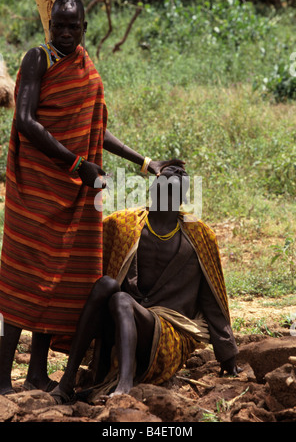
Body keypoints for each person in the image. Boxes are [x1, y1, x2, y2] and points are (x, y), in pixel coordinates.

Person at [0, 0, 182, 396]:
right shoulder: (38, 59)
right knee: (25, 277)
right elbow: (26, 120)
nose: (65, 32)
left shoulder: (85, 66)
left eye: (72, 26)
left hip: (76, 192)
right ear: (50, 26)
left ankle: (35, 374)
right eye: (58, 26)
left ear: (85, 28)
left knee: (60, 278)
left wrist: (145, 162)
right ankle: (0, 378)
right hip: (38, 189)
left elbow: (98, 131)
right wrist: (76, 165)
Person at [49, 165, 240, 405]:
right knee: (108, 285)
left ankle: (125, 384)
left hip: (168, 332)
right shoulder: (125, 225)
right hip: (119, 324)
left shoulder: (199, 237)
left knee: (121, 300)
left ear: (182, 198)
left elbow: (213, 299)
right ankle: (67, 380)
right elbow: (86, 248)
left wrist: (228, 355)